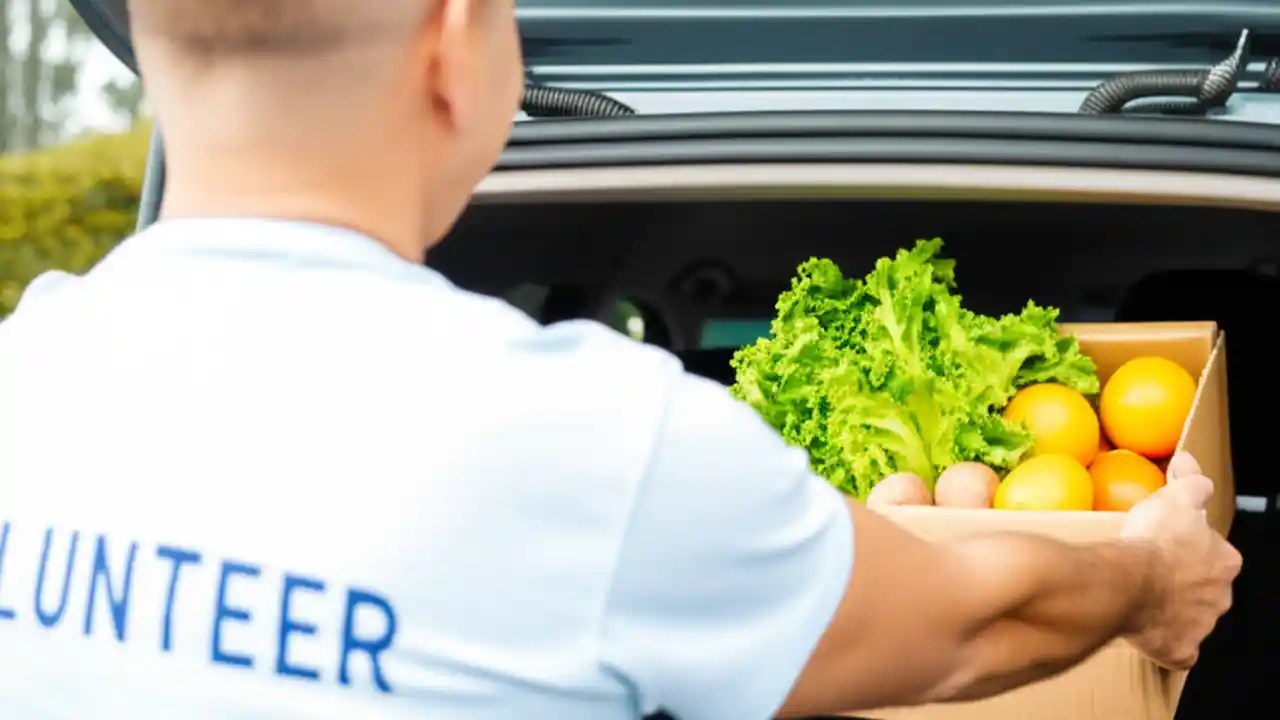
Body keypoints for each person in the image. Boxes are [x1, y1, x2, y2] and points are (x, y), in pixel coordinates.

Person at [0, 1, 1241, 718]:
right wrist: (1148, 583)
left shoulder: (24, 381)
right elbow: (979, 623)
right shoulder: (587, 443)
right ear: (451, 48)